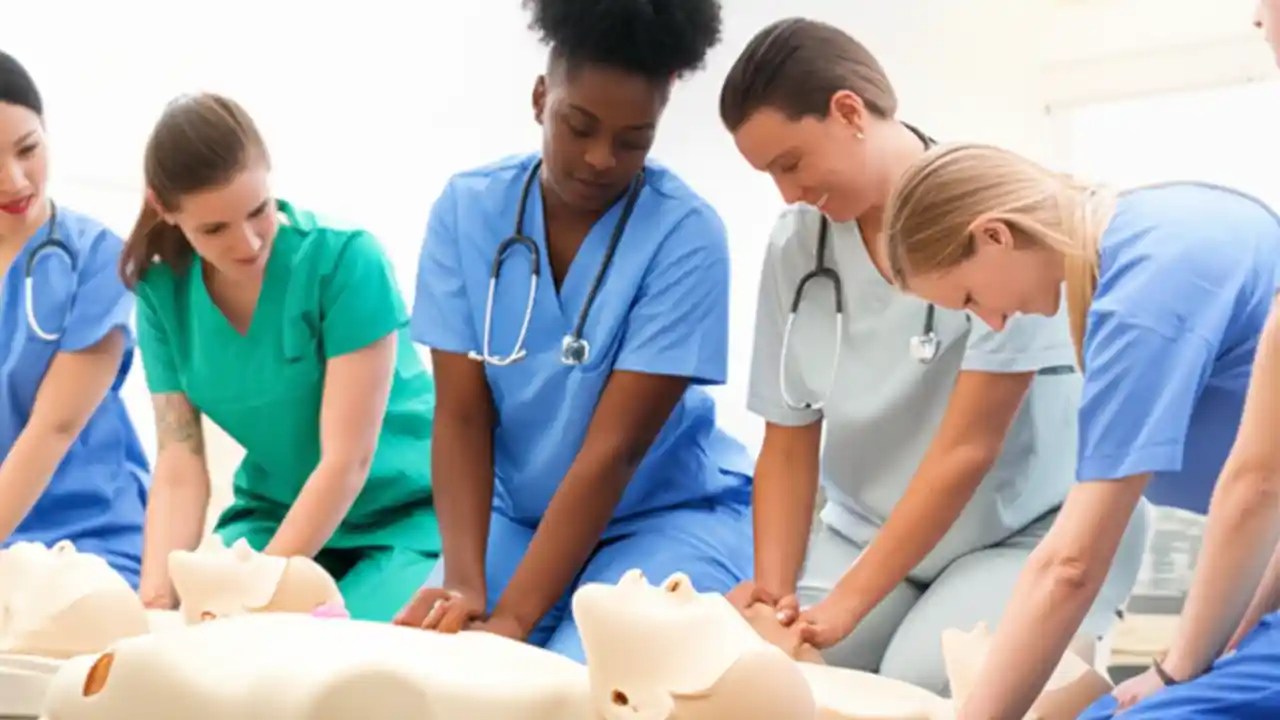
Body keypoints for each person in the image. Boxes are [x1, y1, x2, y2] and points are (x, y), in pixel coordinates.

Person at [712, 18, 1148, 693]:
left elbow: (966, 450)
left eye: (790, 163)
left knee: (925, 683)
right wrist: (777, 602)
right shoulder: (796, 246)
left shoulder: (987, 208)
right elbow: (789, 436)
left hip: (1018, 533)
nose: (787, 193)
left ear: (848, 111)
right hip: (865, 532)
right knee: (772, 675)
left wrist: (848, 604)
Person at [396, 0, 754, 663]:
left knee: (574, 681)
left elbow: (613, 452)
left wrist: (512, 620)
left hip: (666, 516)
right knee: (432, 664)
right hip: (519, 516)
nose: (599, 159)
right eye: (578, 126)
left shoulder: (686, 237)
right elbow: (463, 416)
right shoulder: (468, 210)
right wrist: (466, 582)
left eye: (632, 141)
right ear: (541, 98)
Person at [880, 138, 1280, 718]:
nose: (990, 320)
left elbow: (1071, 565)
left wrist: (1178, 669)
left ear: (994, 234)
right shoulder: (1162, 225)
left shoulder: (1144, 296)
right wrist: (1208, 652)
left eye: (969, 297)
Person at [125, 93, 439, 623]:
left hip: (407, 517)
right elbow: (179, 463)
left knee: (327, 657)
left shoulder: (345, 261)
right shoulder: (161, 292)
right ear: (164, 209)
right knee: (188, 643)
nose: (247, 242)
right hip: (275, 513)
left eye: (258, 211)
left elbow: (348, 462)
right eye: (214, 229)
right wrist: (155, 598)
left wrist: (256, 593)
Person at [1080, 5, 1280, 716]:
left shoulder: (1162, 275)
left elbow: (1258, 483)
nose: (1257, 20)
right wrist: (1230, 635)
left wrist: (1178, 671)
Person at [0, 51, 147, 586]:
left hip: (88, 537)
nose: (15, 181)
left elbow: (54, 428)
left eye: (28, 149)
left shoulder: (96, 258)